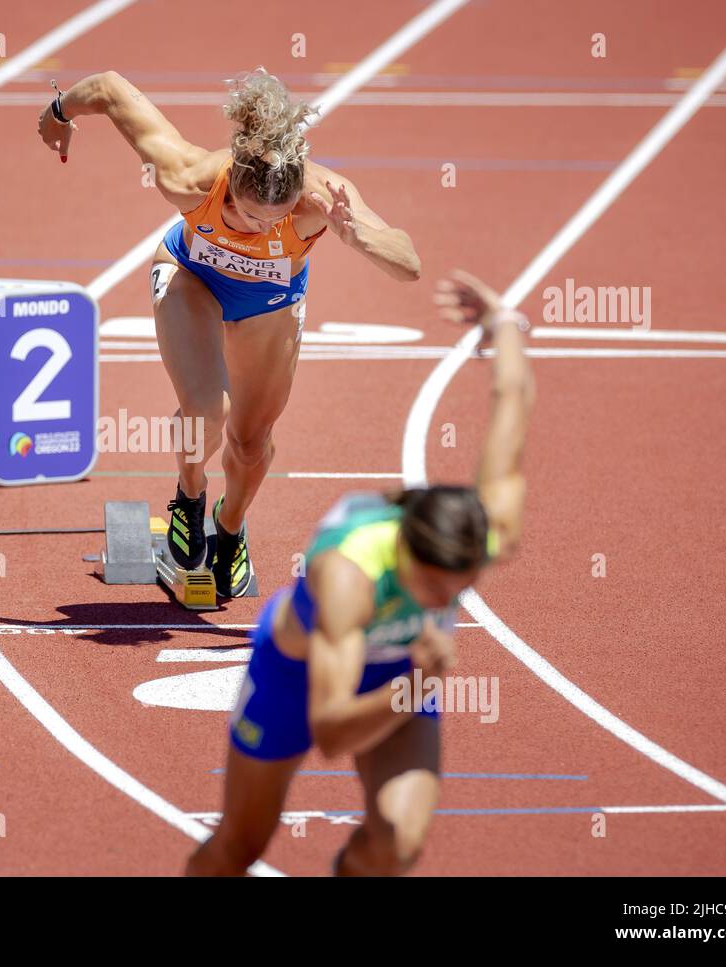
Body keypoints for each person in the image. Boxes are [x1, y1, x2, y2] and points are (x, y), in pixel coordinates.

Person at [184, 270, 534, 875]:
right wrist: (414, 684)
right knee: (241, 846)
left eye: (462, 587)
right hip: (300, 676)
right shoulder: (349, 578)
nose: (445, 600)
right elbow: (333, 734)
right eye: (432, 588)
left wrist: (502, 326)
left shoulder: (485, 531)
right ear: (404, 551)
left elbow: (513, 404)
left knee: (395, 847)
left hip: (402, 669)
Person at [38, 68, 420, 596]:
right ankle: (189, 499)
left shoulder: (321, 199)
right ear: (231, 190)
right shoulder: (188, 175)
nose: (263, 229)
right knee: (205, 409)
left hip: (268, 301)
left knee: (250, 441)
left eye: (276, 220)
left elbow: (410, 264)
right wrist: (58, 113)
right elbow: (107, 88)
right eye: (249, 217)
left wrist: (363, 241)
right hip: (192, 276)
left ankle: (231, 524)